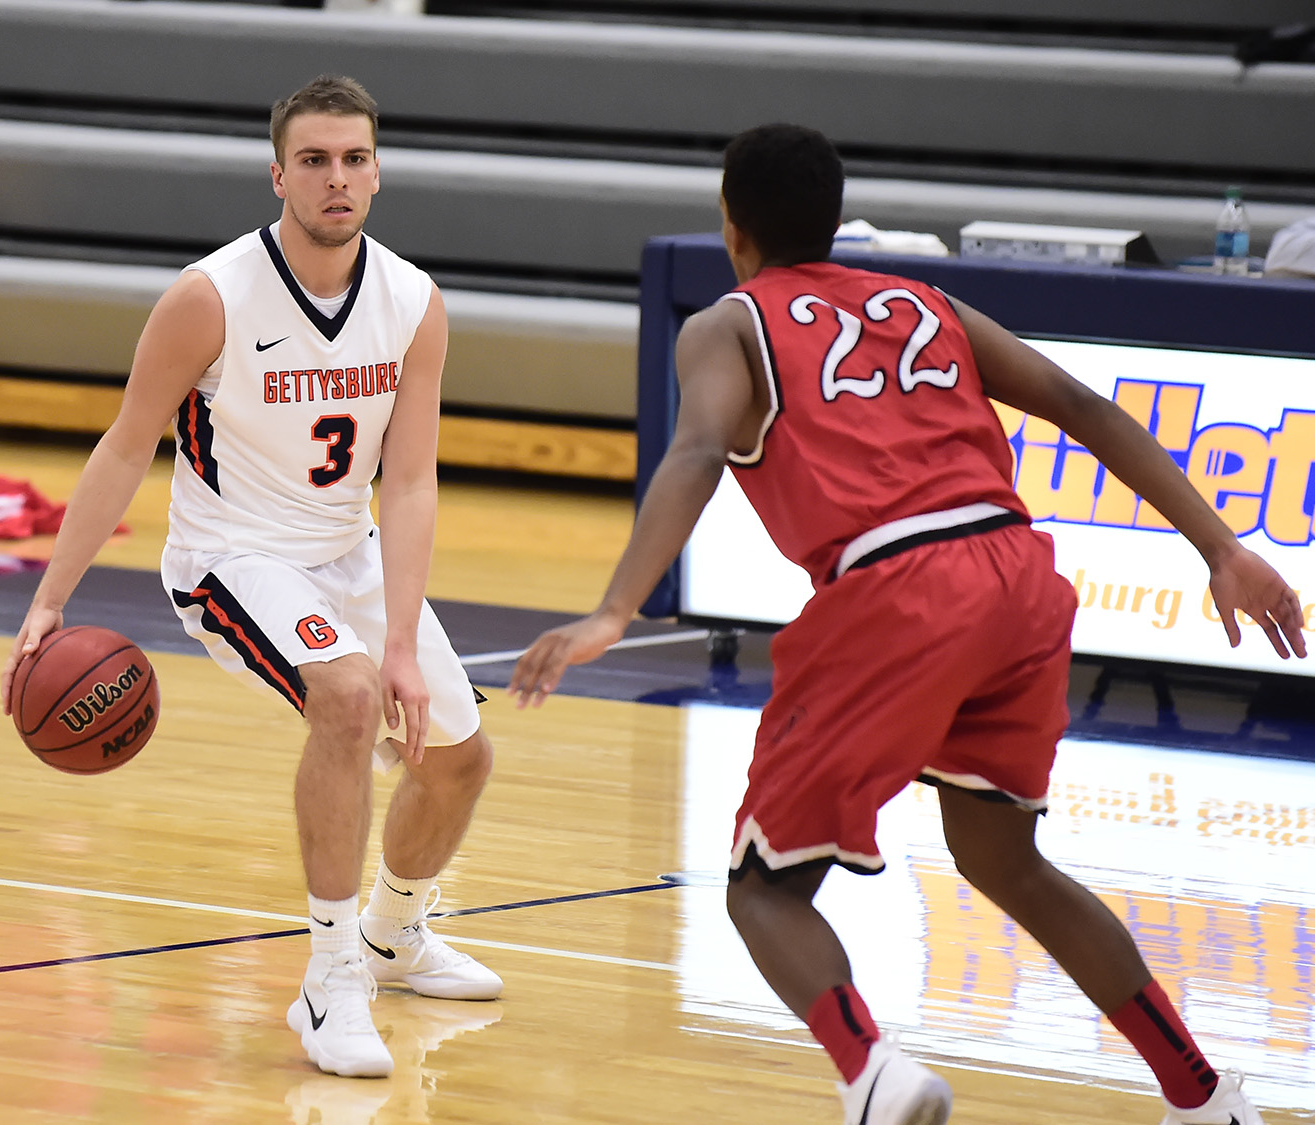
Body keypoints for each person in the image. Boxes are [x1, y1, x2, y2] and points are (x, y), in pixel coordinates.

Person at [509, 123, 1304, 1125]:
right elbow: (1078, 405)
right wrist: (1218, 547)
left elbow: (699, 448)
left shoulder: (724, 323)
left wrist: (615, 607)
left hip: (897, 586)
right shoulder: (923, 301)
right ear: (834, 219)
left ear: (730, 224)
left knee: (761, 891)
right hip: (1018, 578)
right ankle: (1205, 1097)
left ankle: (873, 1076)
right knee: (1001, 857)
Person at [1, 75, 502, 1080]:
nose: (335, 178)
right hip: (231, 557)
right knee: (348, 698)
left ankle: (391, 935)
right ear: (277, 173)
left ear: (376, 172)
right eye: (313, 160)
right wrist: (49, 598)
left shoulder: (411, 301)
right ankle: (327, 983)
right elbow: (122, 446)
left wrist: (401, 636)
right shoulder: (209, 296)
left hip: (344, 548)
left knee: (458, 760)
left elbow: (406, 482)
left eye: (353, 158)